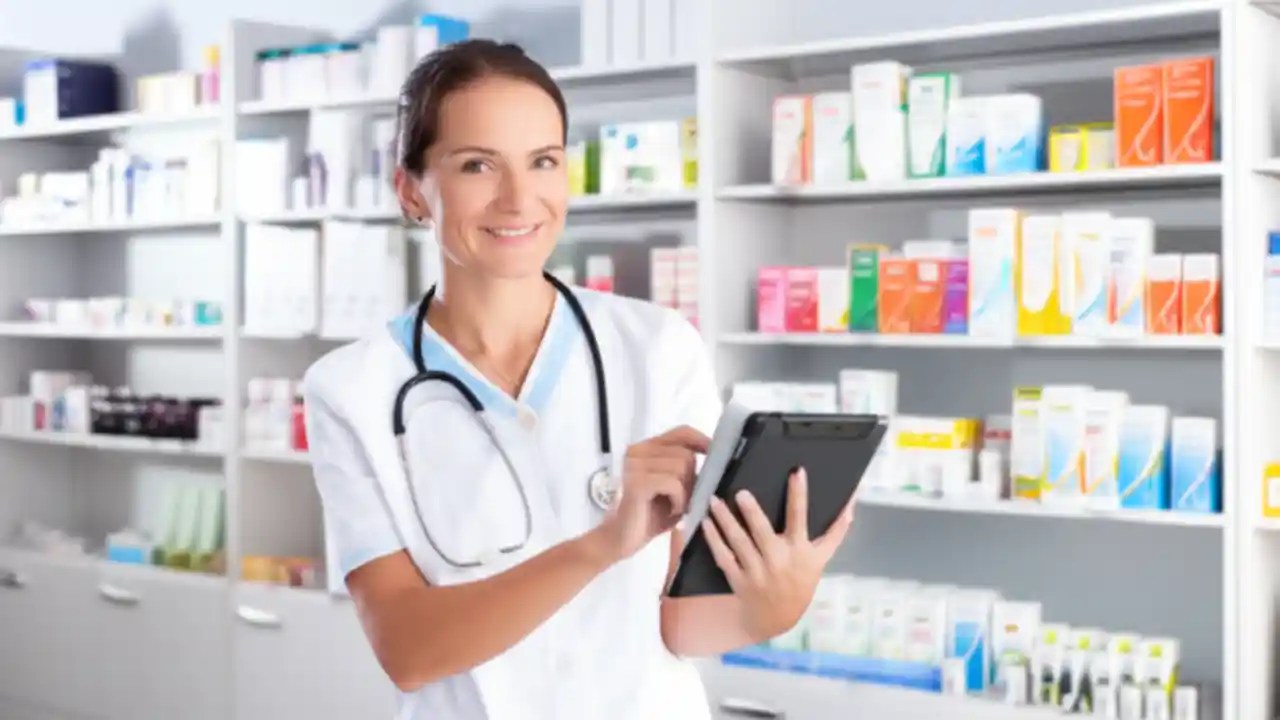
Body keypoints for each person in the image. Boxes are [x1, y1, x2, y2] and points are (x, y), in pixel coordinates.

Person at [302, 38, 857, 720]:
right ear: (411, 190)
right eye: (477, 164)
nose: (518, 198)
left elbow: (681, 627)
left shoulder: (657, 349)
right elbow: (409, 649)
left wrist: (777, 601)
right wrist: (602, 544)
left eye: (544, 161)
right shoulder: (351, 390)